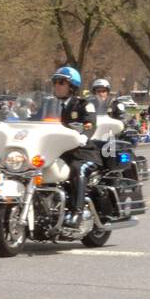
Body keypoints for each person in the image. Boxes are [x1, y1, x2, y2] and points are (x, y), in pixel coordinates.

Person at [35, 66, 97, 228]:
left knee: (78, 169)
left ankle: (76, 213)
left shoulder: (83, 105)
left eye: (61, 82)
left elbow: (90, 124)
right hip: (55, 152)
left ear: (72, 86)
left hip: (80, 153)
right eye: (55, 82)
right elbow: (32, 120)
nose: (57, 85)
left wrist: (84, 135)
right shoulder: (49, 105)